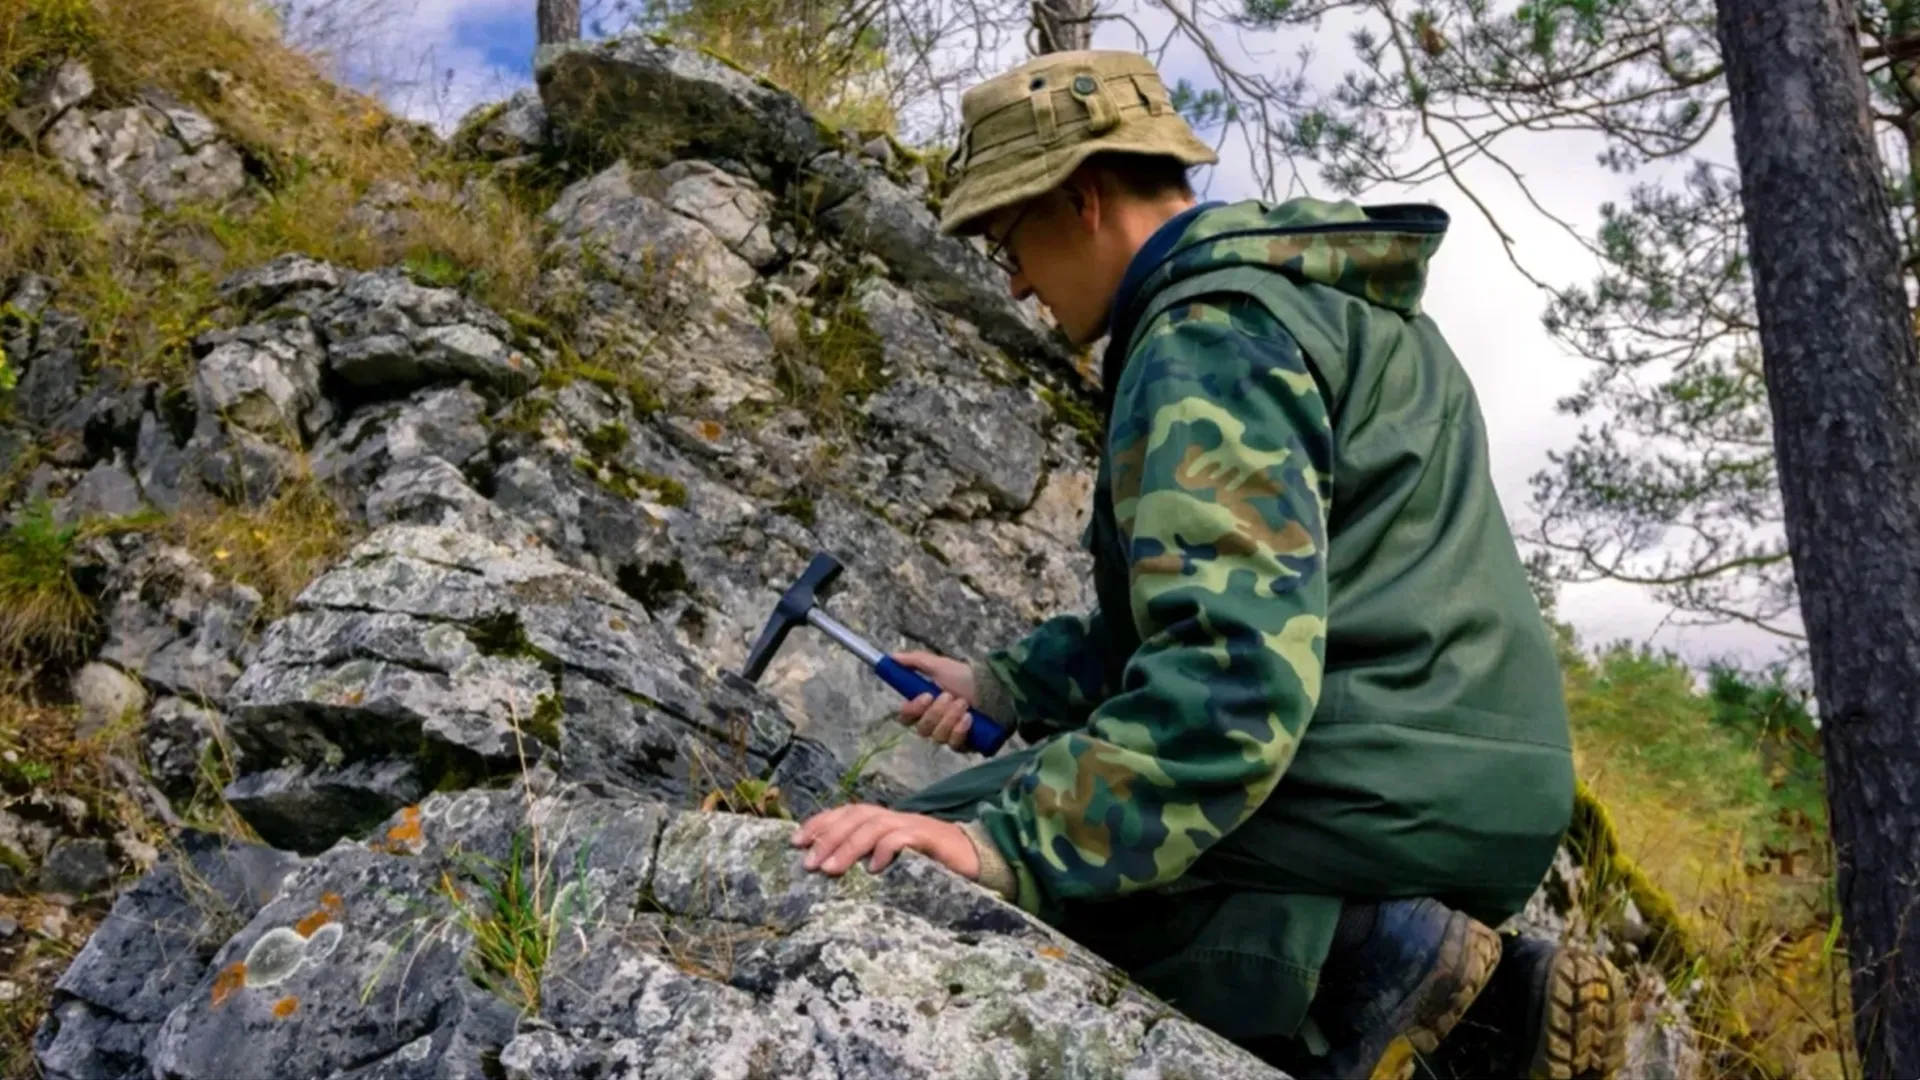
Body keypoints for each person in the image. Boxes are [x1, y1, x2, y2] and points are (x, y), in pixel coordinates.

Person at [790, 48, 1627, 1079]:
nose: (1012, 280)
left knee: (908, 858)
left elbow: (1232, 683)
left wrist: (998, 845)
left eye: (1010, 238)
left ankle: (1376, 972)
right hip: (1487, 787)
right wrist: (1005, 684)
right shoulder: (1343, 307)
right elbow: (1235, 607)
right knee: (1052, 821)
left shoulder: (1205, 336)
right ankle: (1457, 986)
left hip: (1373, 784)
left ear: (1083, 197)